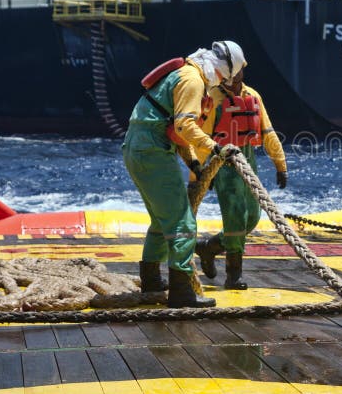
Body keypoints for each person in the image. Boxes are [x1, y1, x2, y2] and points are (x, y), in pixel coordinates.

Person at [123, 41, 245, 308]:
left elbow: (173, 127)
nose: (224, 83)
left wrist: (194, 164)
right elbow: (184, 125)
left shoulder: (186, 73)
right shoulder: (193, 80)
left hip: (137, 148)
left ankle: (151, 281)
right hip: (152, 151)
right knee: (183, 223)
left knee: (160, 220)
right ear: (225, 71)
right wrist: (214, 147)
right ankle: (182, 291)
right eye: (228, 77)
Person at [181, 43, 287, 290]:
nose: (237, 74)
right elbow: (201, 140)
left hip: (247, 160)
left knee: (252, 218)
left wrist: (280, 164)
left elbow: (268, 132)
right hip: (224, 163)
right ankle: (233, 275)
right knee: (235, 216)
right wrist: (198, 174)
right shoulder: (213, 99)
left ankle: (208, 248)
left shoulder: (253, 96)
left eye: (239, 70)